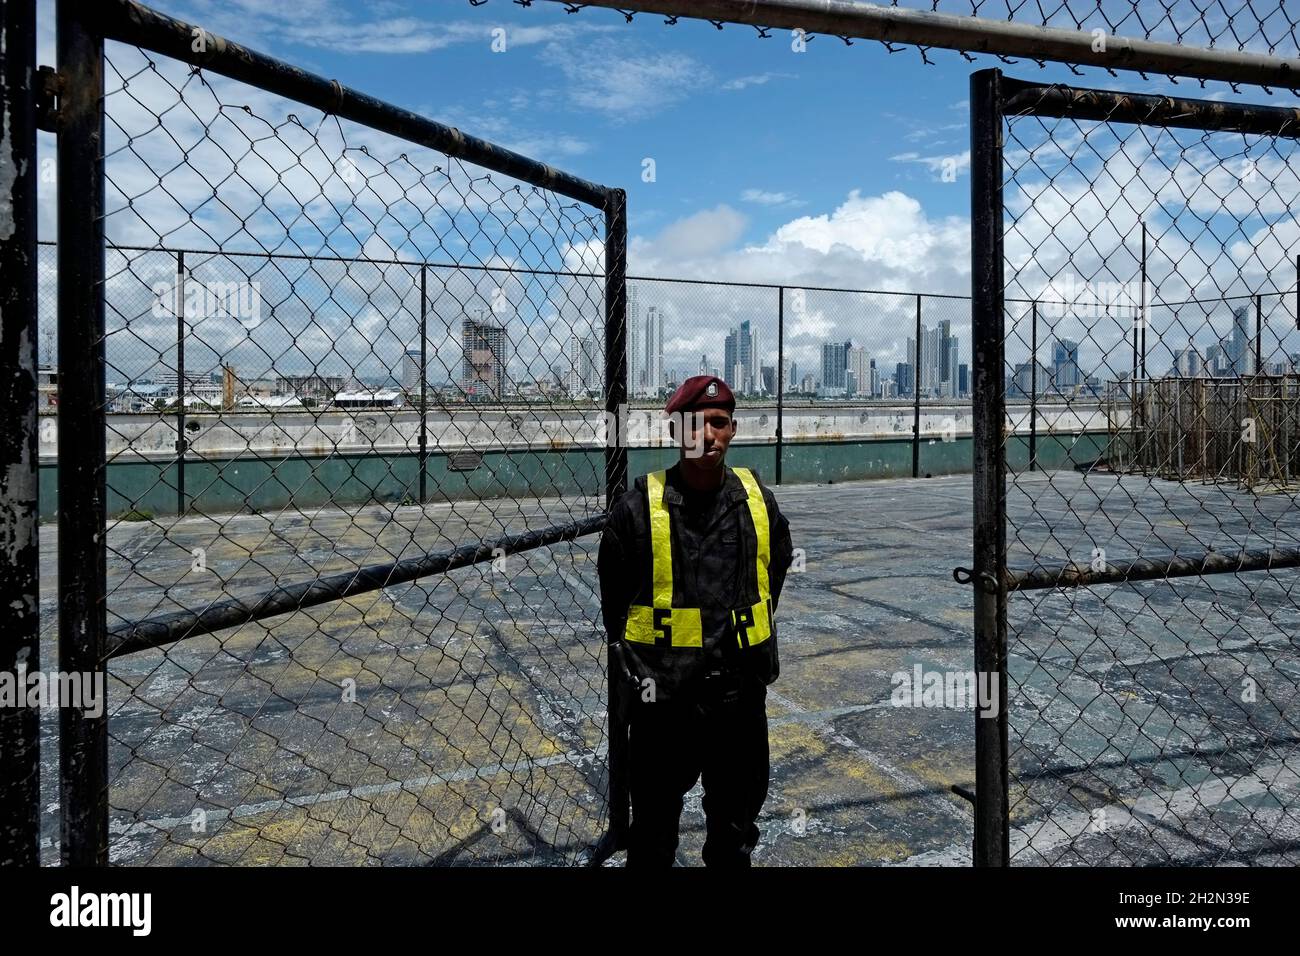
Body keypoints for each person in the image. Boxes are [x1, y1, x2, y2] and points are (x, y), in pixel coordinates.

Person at [597, 375, 794, 867]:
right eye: (694, 424)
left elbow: (777, 569)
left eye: (718, 423)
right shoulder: (638, 508)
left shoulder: (758, 502)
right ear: (673, 432)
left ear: (733, 429)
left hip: (738, 701)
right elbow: (614, 600)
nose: (707, 436)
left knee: (734, 834)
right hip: (663, 706)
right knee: (652, 838)